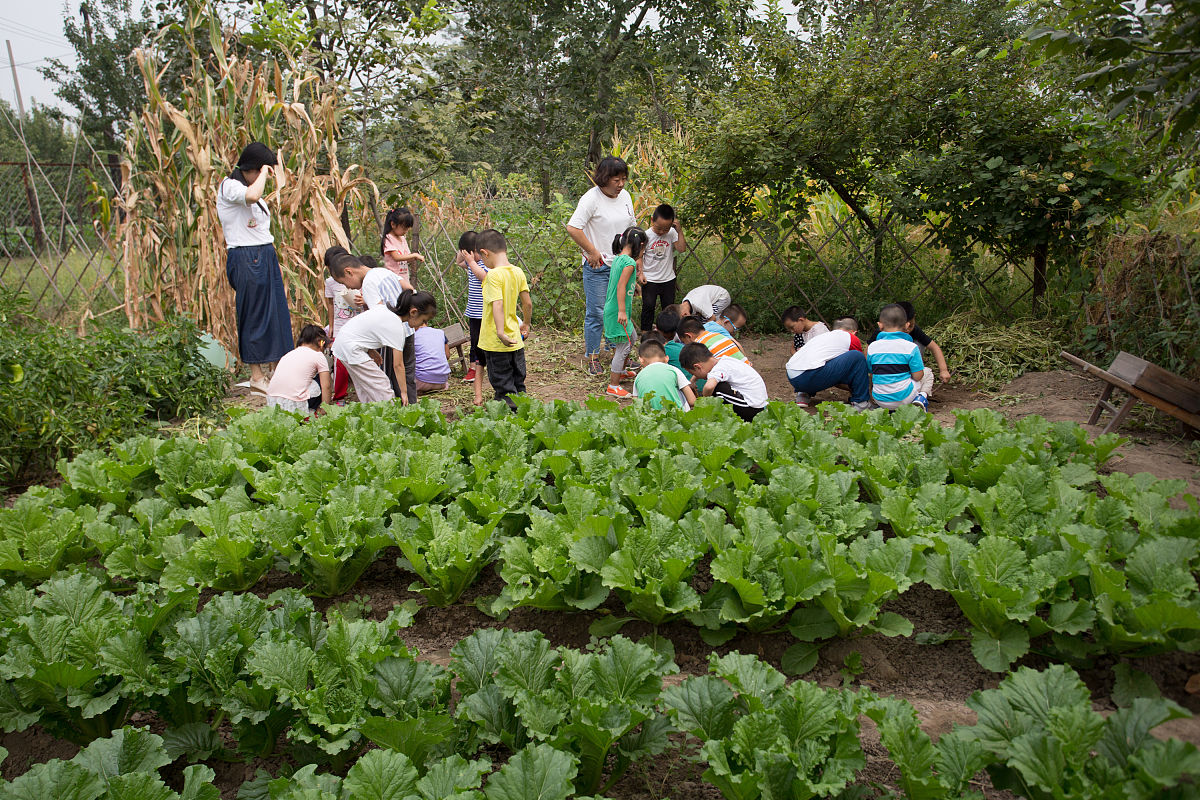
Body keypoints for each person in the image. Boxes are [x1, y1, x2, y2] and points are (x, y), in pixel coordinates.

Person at [216, 142, 292, 394]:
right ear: (253, 168)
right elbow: (252, 196)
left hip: (265, 254)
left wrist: (275, 262)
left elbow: (262, 230)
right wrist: (262, 172)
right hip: (246, 257)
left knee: (276, 314)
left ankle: (276, 371)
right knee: (254, 315)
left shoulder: (249, 188)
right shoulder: (231, 186)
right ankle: (256, 376)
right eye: (263, 172)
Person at [565, 156, 636, 376]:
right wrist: (592, 251)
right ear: (604, 178)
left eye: (624, 179)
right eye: (617, 180)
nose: (621, 184)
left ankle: (618, 352)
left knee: (618, 310)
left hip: (620, 266)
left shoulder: (625, 197)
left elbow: (631, 228)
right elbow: (573, 228)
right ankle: (593, 356)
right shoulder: (591, 199)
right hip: (598, 266)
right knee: (596, 312)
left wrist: (636, 260)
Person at [327, 253, 418, 403]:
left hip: (390, 336)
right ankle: (411, 413)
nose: (348, 287)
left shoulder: (368, 284)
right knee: (407, 375)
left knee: (384, 381)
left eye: (344, 282)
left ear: (349, 272)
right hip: (407, 329)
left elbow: (380, 318)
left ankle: (392, 415)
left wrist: (371, 349)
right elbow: (410, 289)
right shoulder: (382, 271)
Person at [331, 290, 436, 403]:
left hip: (343, 343)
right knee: (382, 384)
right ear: (414, 312)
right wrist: (404, 392)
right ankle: (390, 416)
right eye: (423, 320)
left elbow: (364, 329)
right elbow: (398, 365)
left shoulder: (384, 310)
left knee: (366, 388)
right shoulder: (396, 326)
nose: (422, 324)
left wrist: (371, 350)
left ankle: (370, 415)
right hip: (351, 348)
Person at [477, 229, 532, 410]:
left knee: (504, 388)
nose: (483, 263)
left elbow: (497, 304)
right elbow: (528, 303)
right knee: (518, 384)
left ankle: (510, 425)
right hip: (516, 341)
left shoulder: (493, 275)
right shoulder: (517, 271)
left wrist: (500, 332)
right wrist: (526, 323)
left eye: (482, 259)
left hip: (496, 341)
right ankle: (525, 416)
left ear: (485, 253)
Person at [603, 226, 648, 398]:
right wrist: (622, 311)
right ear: (640, 245)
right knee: (624, 346)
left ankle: (621, 370)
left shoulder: (619, 258)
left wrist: (634, 285)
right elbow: (621, 286)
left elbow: (620, 281)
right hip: (617, 310)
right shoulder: (629, 263)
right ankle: (613, 385)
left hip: (614, 308)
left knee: (632, 337)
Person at [785, 327, 872, 410]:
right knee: (857, 356)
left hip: (792, 375)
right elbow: (859, 367)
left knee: (820, 361)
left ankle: (803, 394)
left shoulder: (824, 337)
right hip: (808, 377)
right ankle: (861, 403)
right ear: (854, 332)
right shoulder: (851, 337)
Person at [679, 342, 769, 422]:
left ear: (698, 367)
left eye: (693, 373)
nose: (696, 376)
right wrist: (693, 380)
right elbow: (703, 373)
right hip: (759, 403)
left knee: (717, 389)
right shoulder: (722, 361)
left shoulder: (717, 370)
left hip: (753, 409)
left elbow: (708, 387)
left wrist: (703, 404)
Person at [867, 303, 933, 411]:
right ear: (907, 325)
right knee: (927, 372)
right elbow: (918, 377)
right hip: (903, 399)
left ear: (880, 325)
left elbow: (871, 371)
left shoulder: (872, 347)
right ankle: (921, 398)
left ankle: (885, 406)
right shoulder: (911, 347)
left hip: (879, 398)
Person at [265, 324, 332, 416]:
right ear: (321, 342)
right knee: (320, 379)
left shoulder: (288, 354)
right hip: (295, 402)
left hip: (273, 401)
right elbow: (326, 386)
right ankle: (314, 411)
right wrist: (326, 408)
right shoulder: (318, 356)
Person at [323, 247, 362, 403]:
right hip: (340, 326)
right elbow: (330, 304)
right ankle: (339, 396)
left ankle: (362, 393)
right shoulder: (330, 283)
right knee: (339, 362)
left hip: (357, 324)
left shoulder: (356, 278)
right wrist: (331, 326)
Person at [640, 204, 688, 334]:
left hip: (668, 278)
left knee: (669, 309)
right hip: (650, 279)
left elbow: (681, 249)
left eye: (665, 229)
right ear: (652, 220)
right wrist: (640, 273)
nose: (661, 232)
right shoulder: (646, 236)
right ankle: (645, 334)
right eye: (659, 228)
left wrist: (679, 231)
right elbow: (639, 256)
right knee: (648, 307)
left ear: (672, 224)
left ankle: (667, 334)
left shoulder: (672, 233)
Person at [456, 230, 489, 405]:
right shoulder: (470, 263)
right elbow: (458, 262)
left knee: (488, 346)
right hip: (474, 314)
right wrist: (464, 254)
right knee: (476, 348)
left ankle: (489, 370)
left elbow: (483, 277)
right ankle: (478, 377)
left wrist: (471, 260)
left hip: (486, 315)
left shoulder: (483, 264)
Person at [896, 301, 951, 386]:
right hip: (891, 368)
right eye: (903, 327)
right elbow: (868, 350)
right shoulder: (882, 332)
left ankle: (915, 371)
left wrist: (943, 370)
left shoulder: (915, 331)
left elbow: (934, 347)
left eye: (911, 326)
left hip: (908, 369)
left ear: (914, 317)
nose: (907, 330)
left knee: (919, 343)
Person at [633, 338, 696, 410]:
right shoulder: (673, 370)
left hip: (650, 418)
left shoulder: (638, 377)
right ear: (667, 358)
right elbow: (692, 401)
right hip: (676, 416)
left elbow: (636, 404)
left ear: (641, 360)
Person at [678, 316, 750, 363]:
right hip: (749, 370)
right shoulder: (718, 335)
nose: (685, 345)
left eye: (684, 342)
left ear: (689, 336)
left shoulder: (698, 346)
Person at [382, 207, 425, 285]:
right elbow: (397, 257)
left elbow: (406, 257)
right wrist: (414, 255)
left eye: (408, 228)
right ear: (393, 224)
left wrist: (413, 258)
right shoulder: (388, 239)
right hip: (393, 280)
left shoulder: (402, 238)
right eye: (404, 228)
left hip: (404, 279)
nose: (406, 231)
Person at [413, 325, 452, 395]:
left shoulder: (412, 336)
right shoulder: (440, 332)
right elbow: (447, 355)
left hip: (420, 382)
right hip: (442, 381)